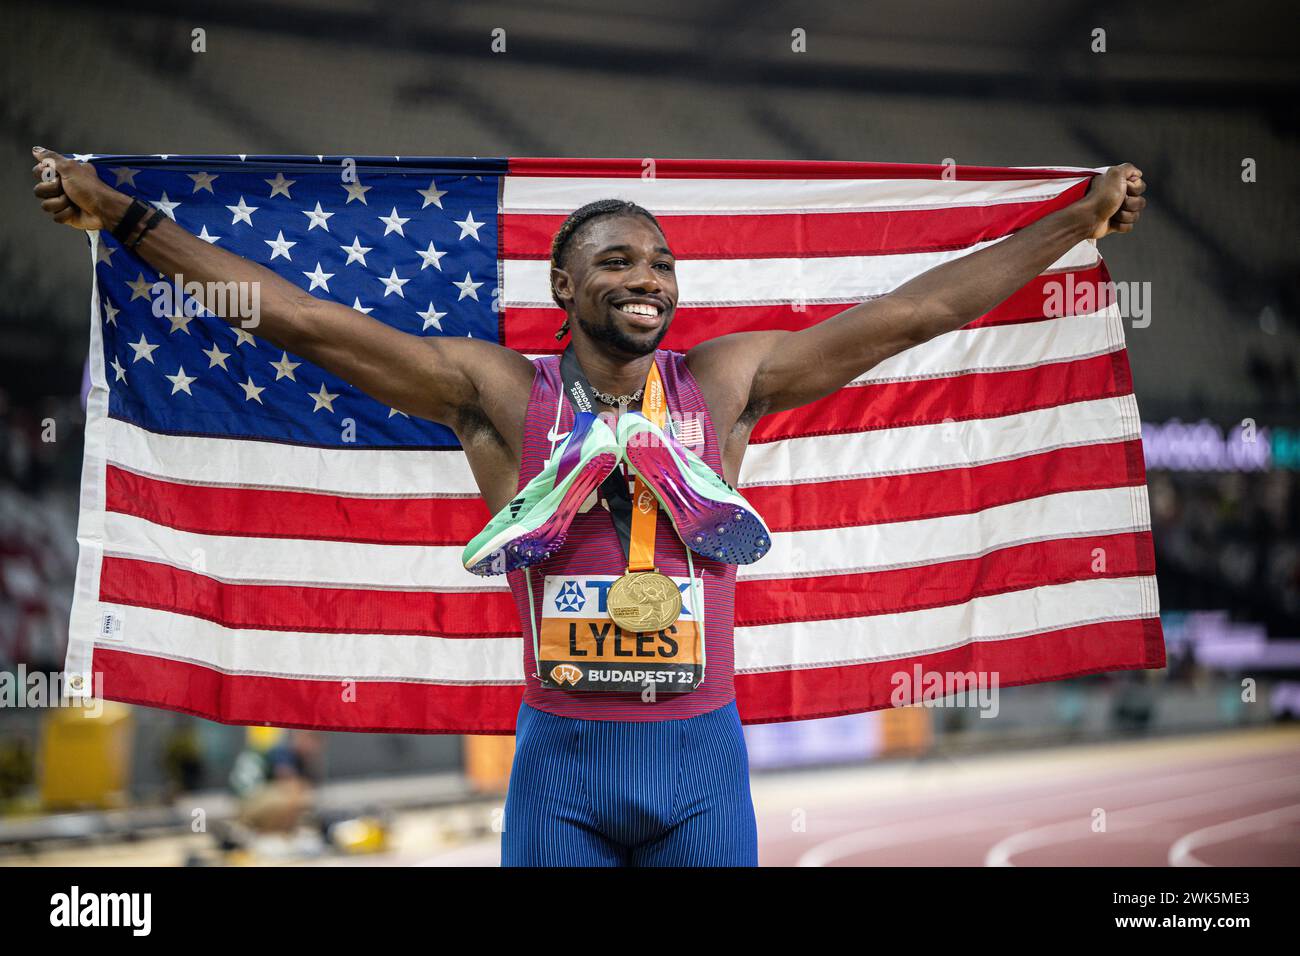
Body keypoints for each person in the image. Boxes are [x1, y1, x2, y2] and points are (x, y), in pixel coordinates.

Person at [30, 148, 1146, 865]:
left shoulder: (726, 383)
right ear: (564, 288)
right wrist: (126, 221)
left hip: (701, 767)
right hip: (559, 773)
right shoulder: (497, 393)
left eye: (660, 264)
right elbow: (305, 324)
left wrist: (1075, 226)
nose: (647, 278)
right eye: (616, 262)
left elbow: (917, 311)